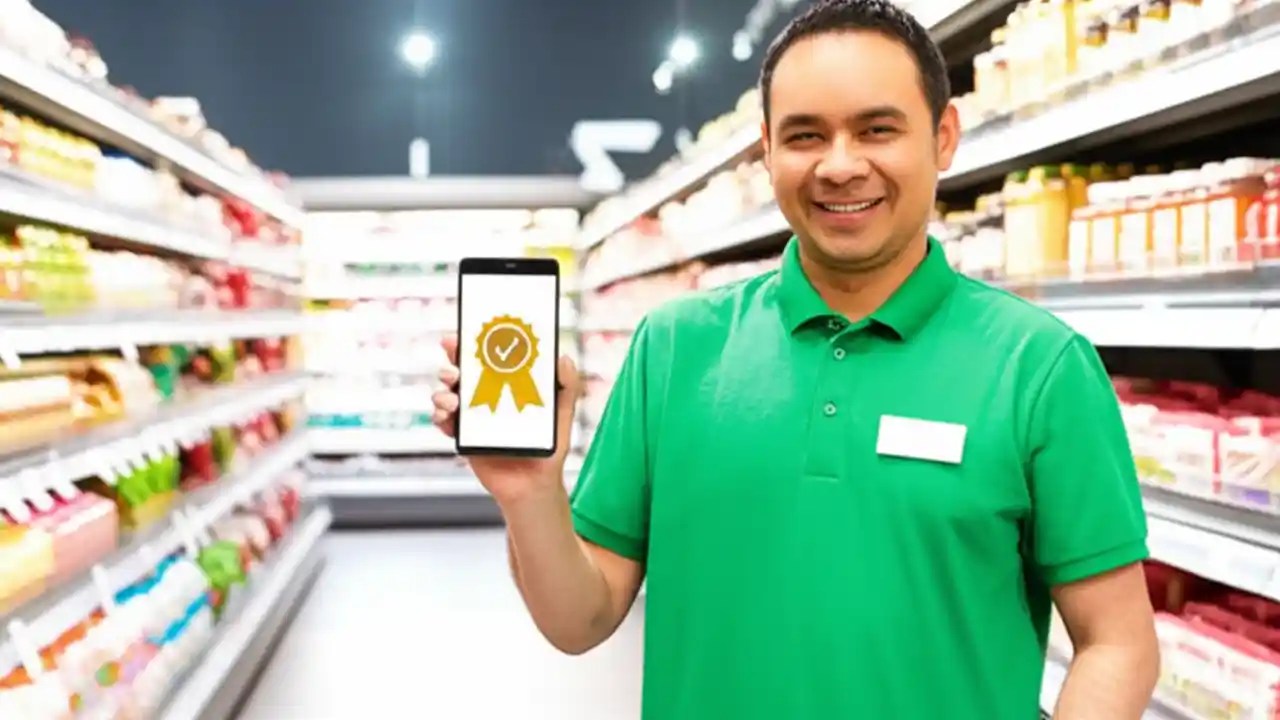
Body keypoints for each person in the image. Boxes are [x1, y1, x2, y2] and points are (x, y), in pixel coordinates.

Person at [432, 0, 1160, 717]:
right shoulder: (675, 346)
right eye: (806, 136)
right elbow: (578, 621)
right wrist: (530, 494)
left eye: (877, 130)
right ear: (768, 150)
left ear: (943, 138)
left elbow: (1117, 642)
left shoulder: (1039, 365)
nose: (840, 167)